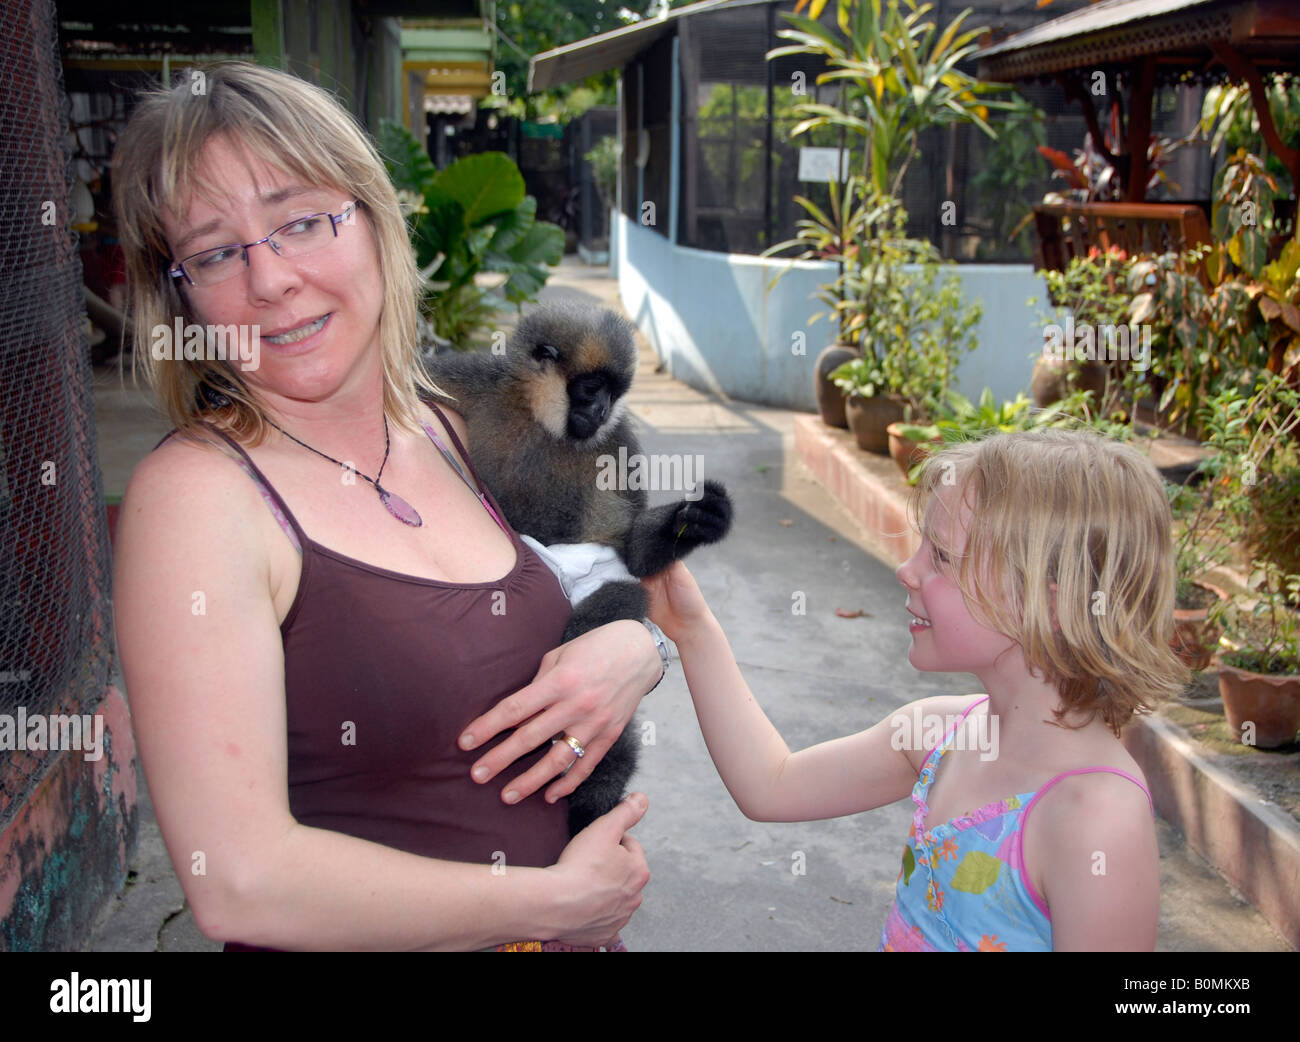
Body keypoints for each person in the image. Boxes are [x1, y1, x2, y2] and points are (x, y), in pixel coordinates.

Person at [110, 62, 657, 951]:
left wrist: (639, 647)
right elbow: (241, 885)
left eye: (300, 221)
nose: (271, 279)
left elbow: (630, 557)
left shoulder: (456, 423)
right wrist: (556, 904)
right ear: (183, 297)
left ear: (372, 220)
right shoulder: (199, 499)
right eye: (215, 252)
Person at [643, 428, 1190, 951]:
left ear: (1048, 602)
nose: (907, 570)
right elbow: (772, 785)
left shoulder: (1096, 817)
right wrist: (693, 630)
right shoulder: (939, 732)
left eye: (942, 558)